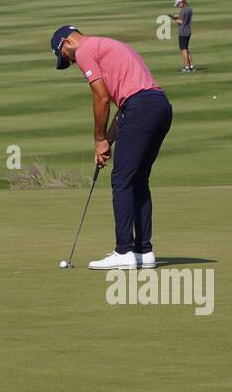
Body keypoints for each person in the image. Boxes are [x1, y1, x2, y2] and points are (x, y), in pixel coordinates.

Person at [51, 25, 174, 271]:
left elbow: (102, 98)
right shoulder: (107, 45)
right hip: (159, 106)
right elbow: (127, 104)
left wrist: (98, 139)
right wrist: (108, 139)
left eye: (65, 57)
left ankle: (123, 251)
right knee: (137, 179)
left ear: (65, 42)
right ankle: (143, 251)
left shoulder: (84, 50)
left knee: (122, 180)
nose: (72, 63)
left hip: (140, 107)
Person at [173, 0, 194, 72]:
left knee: (183, 49)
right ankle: (191, 65)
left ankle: (186, 66)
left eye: (178, 4)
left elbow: (181, 22)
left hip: (183, 32)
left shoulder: (183, 10)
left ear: (182, 2)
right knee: (187, 49)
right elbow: (185, 18)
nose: (178, 6)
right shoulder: (189, 9)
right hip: (188, 31)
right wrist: (178, 16)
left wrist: (175, 19)